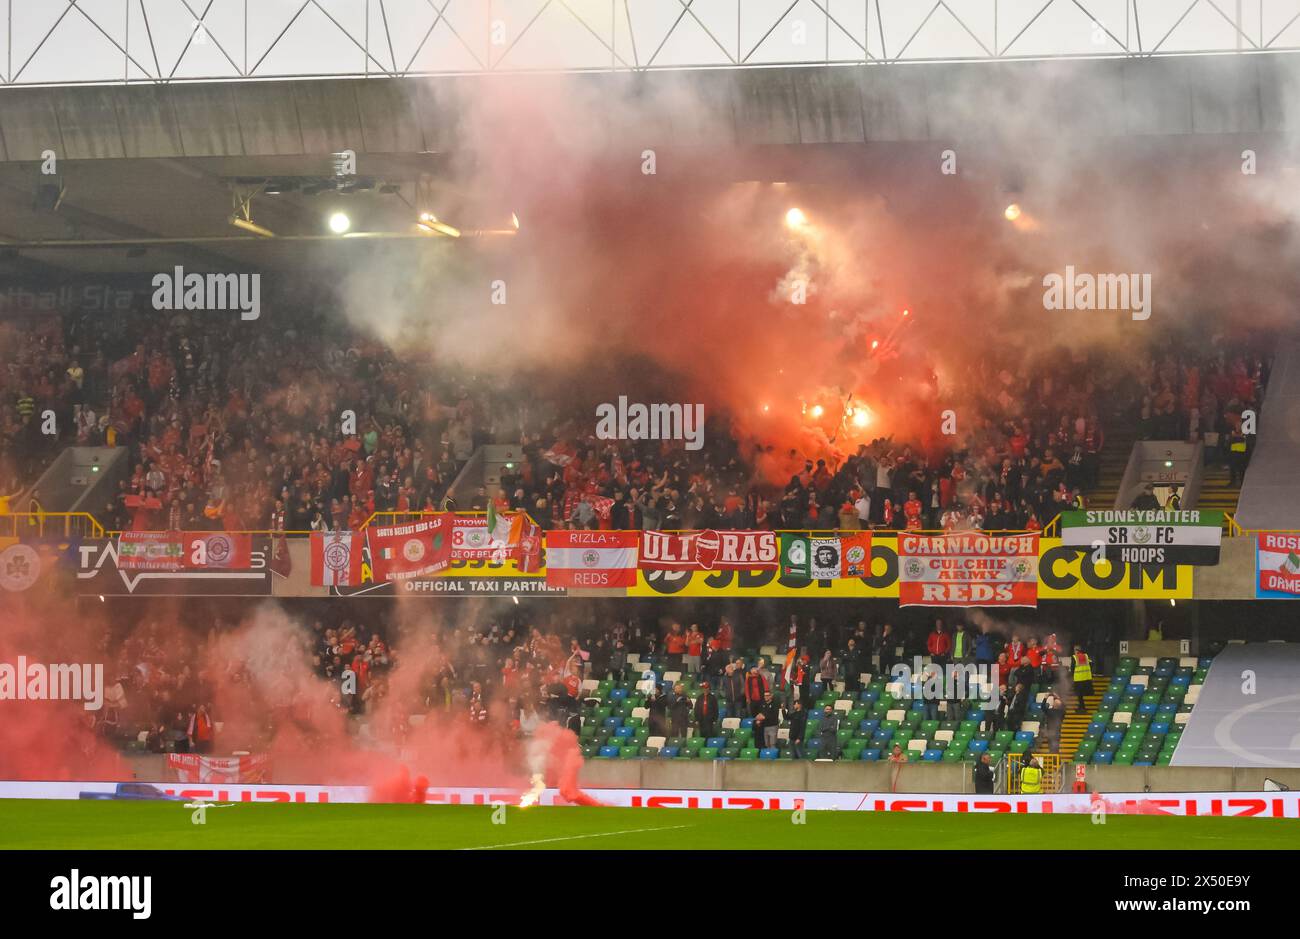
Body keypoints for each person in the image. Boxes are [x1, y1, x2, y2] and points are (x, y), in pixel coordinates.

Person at [1071, 644, 1094, 713]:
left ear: (1077, 650)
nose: (1074, 651)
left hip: (1078, 679)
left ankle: (1082, 708)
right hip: (1086, 679)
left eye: (1074, 650)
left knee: (1079, 695)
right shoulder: (1086, 656)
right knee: (1080, 695)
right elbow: (1091, 664)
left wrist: (1072, 676)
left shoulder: (1075, 657)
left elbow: (1072, 668)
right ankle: (1081, 707)